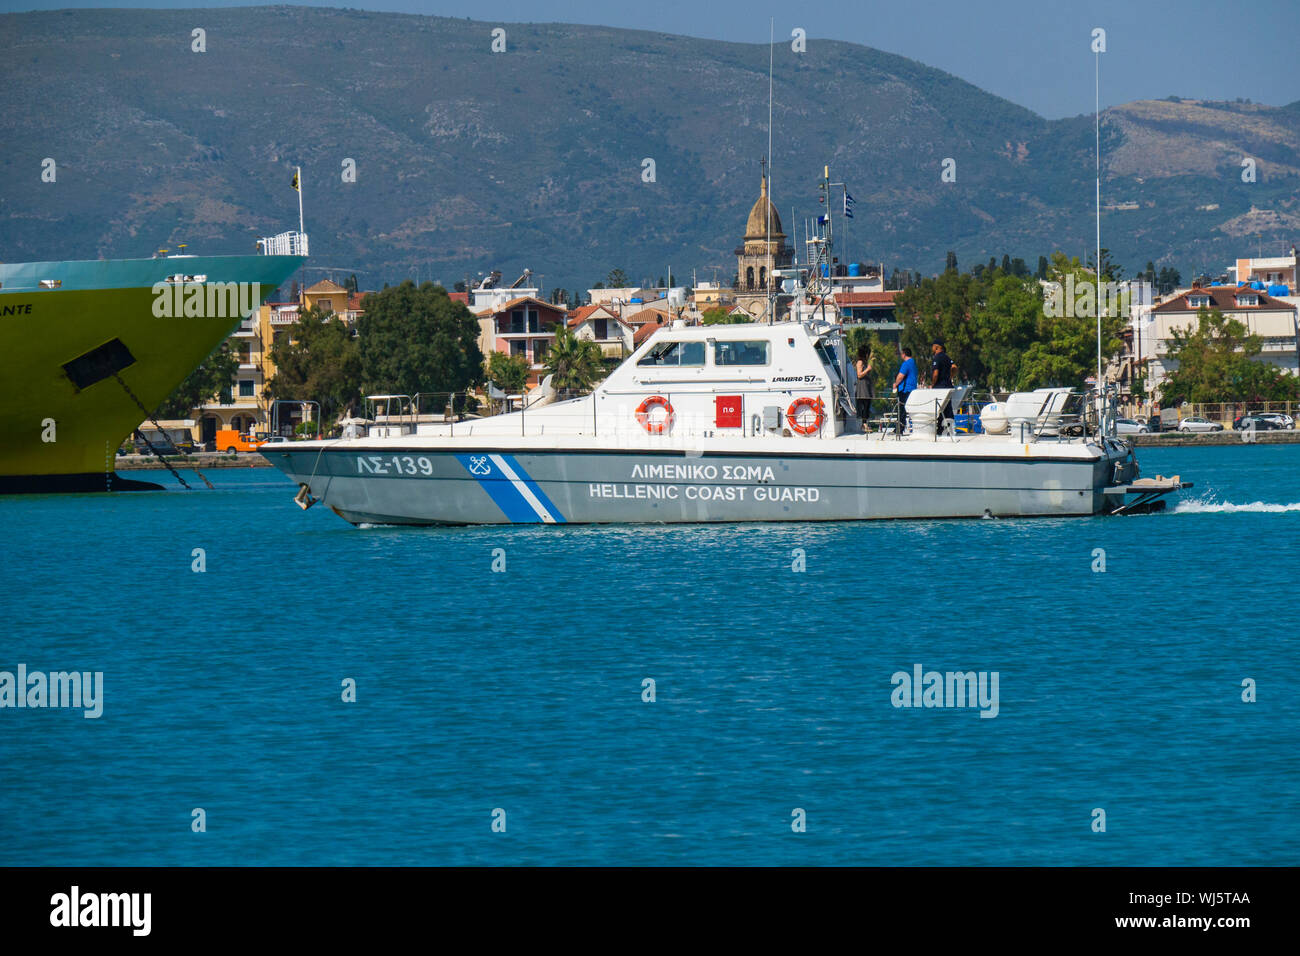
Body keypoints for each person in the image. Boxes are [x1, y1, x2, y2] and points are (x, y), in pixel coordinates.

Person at [930, 341, 958, 432]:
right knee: (948, 409)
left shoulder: (937, 358)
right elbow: (954, 367)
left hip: (939, 387)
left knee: (939, 409)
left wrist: (933, 384)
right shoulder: (947, 357)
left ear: (937, 347)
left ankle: (940, 429)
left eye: (933, 346)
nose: (932, 348)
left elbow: (935, 374)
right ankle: (950, 429)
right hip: (948, 385)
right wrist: (950, 376)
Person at [893, 347, 917, 434]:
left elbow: (900, 376)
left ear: (904, 354)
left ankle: (899, 429)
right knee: (905, 410)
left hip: (905, 390)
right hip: (912, 388)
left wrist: (895, 384)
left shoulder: (906, 364)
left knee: (901, 410)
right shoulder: (913, 362)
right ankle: (901, 428)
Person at [854, 345, 874, 426]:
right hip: (862, 387)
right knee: (864, 404)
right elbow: (859, 375)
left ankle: (865, 422)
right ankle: (864, 423)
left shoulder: (864, 362)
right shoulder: (860, 362)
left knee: (867, 404)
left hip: (866, 385)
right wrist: (867, 370)